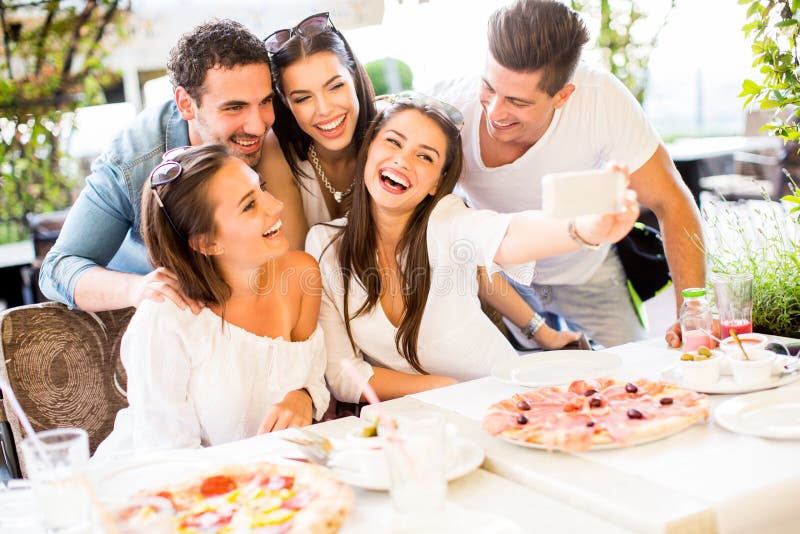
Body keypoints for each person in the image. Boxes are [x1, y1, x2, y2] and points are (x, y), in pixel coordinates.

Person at [263, 12, 579, 350]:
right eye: (302, 98)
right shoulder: (279, 153)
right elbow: (301, 271)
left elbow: (461, 241)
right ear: (286, 103)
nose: (324, 109)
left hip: (429, 319)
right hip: (342, 329)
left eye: (335, 86)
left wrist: (541, 330)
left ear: (354, 77)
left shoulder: (393, 135)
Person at [305, 95, 640, 404]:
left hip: (507, 398)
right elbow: (345, 375)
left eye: (425, 156)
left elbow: (505, 235)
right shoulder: (324, 245)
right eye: (393, 141)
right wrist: (443, 388)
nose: (402, 160)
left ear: (437, 183)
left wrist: (582, 229)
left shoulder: (445, 219)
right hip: (426, 419)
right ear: (369, 149)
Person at [432, 0, 705, 348]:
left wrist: (692, 314)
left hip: (586, 272)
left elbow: (672, 202)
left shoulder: (601, 100)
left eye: (517, 102)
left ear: (563, 96)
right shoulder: (449, 111)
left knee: (634, 367)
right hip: (499, 278)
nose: (495, 112)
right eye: (488, 87)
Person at [93, 144, 327, 459]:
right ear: (207, 243)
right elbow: (169, 457)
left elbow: (313, 375)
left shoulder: (301, 275)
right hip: (166, 480)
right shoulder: (165, 318)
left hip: (272, 474)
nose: (276, 205)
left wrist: (304, 396)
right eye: (249, 206)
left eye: (262, 188)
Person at [39, 19, 275, 313]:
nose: (258, 126)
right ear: (186, 104)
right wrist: (137, 289)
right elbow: (59, 267)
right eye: (234, 107)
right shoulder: (133, 160)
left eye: (265, 101)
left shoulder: (277, 130)